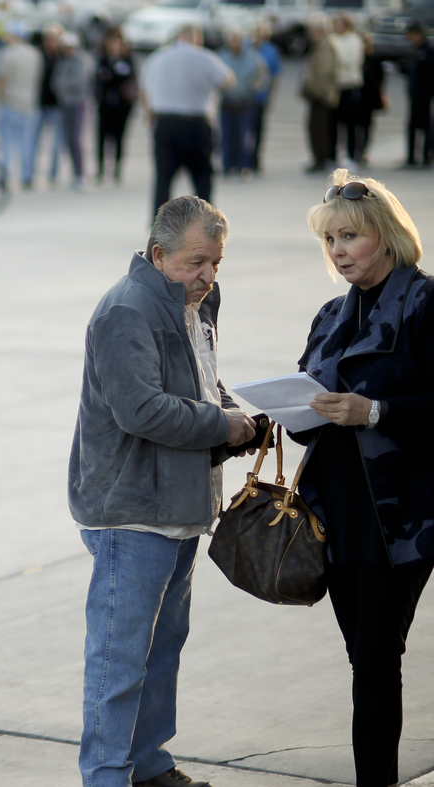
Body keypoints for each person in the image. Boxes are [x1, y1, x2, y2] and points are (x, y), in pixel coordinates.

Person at [68, 195, 255, 787]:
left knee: (161, 650)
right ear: (158, 254)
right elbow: (140, 409)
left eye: (217, 264)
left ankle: (148, 766)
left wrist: (237, 415)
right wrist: (220, 425)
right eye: (197, 262)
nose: (208, 276)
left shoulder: (193, 305)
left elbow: (200, 383)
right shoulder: (127, 310)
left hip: (180, 506)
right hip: (133, 512)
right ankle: (104, 776)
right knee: (119, 659)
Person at [290, 170, 432, 787]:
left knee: (375, 661)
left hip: (403, 518)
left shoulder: (426, 304)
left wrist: (376, 412)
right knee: (366, 660)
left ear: (386, 236)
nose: (339, 251)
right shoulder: (330, 314)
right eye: (330, 241)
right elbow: (308, 412)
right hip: (338, 516)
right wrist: (293, 411)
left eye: (350, 237)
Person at [140, 24, 234, 219]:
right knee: (202, 176)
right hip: (195, 123)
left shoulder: (157, 58)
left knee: (163, 178)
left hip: (165, 123)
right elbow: (227, 81)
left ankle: (158, 224)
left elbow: (144, 90)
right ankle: (206, 223)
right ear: (196, 37)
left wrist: (149, 114)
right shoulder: (204, 57)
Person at [0, 23, 44, 189]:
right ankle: (27, 176)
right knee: (27, 142)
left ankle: (4, 175)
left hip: (9, 102)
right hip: (29, 103)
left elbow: (2, 78)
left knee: (7, 142)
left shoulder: (7, 54)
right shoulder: (35, 54)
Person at [217, 27, 268, 177]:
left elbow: (262, 75)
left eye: (236, 39)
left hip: (246, 102)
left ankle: (242, 166)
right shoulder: (221, 56)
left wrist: (255, 88)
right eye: (230, 40)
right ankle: (227, 166)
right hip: (226, 102)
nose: (233, 43)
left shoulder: (252, 56)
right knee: (227, 135)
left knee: (244, 136)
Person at [51, 32, 93, 190]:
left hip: (77, 102)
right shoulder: (63, 61)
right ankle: (74, 174)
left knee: (75, 139)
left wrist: (62, 85)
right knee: (68, 139)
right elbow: (56, 80)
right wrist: (61, 85)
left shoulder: (81, 60)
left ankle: (80, 176)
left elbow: (79, 81)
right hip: (65, 102)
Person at [95, 27, 137, 185]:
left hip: (122, 105)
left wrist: (112, 74)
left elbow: (127, 77)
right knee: (101, 137)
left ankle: (117, 169)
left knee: (120, 137)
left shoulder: (127, 59)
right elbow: (100, 78)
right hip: (105, 103)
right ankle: (100, 170)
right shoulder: (102, 59)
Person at [304, 15, 341, 173]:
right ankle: (319, 158)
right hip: (319, 94)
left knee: (320, 128)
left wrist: (315, 89)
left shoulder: (326, 46)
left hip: (321, 95)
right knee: (316, 127)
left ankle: (321, 159)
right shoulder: (320, 45)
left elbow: (325, 72)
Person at [34, 24, 66, 186]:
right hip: (40, 103)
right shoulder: (38, 55)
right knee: (33, 141)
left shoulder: (64, 56)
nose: (51, 42)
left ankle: (53, 175)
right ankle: (30, 175)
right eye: (48, 38)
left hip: (58, 104)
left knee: (56, 144)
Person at [332, 13, 365, 166]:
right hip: (335, 85)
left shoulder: (355, 40)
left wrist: (335, 59)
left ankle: (352, 155)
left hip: (350, 84)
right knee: (333, 123)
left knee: (350, 123)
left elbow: (351, 60)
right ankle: (332, 155)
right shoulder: (333, 39)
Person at [251, 23, 282, 174]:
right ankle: (241, 159)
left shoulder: (271, 51)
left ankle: (255, 159)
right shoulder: (246, 48)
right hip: (245, 97)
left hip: (261, 97)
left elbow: (275, 76)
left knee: (258, 129)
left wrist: (271, 97)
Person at [354, 32, 386, 166]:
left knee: (367, 126)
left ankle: (363, 151)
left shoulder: (374, 59)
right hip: (357, 96)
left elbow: (381, 80)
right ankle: (356, 151)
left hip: (369, 97)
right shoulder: (357, 58)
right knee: (355, 126)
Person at [405, 22, 434, 168]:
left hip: (424, 95)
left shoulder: (428, 51)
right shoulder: (414, 50)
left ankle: (426, 156)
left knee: (426, 126)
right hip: (414, 95)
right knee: (412, 127)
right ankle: (411, 157)